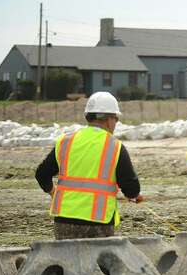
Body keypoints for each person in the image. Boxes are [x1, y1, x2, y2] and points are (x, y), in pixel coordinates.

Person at [35, 91, 142, 239]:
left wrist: (53, 192)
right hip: (98, 224)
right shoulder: (114, 146)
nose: (116, 123)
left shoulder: (66, 142)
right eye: (116, 119)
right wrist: (134, 195)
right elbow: (131, 188)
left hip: (64, 222)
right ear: (109, 119)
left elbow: (41, 174)